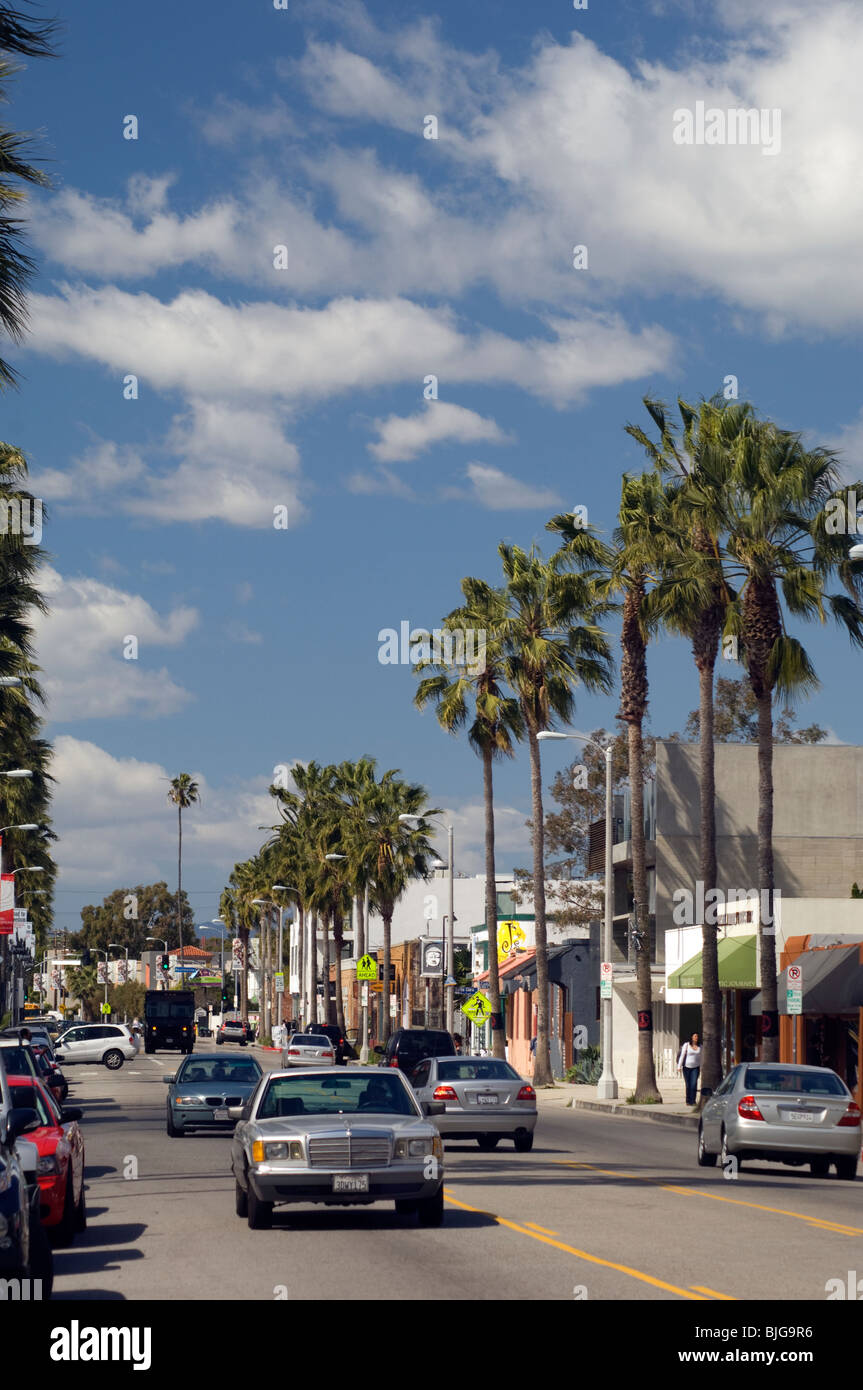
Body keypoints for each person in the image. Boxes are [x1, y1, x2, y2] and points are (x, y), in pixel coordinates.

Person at [677, 1032, 702, 1105]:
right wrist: (679, 1066)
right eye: (694, 1036)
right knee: (688, 1085)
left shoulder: (700, 1046)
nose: (696, 1037)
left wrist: (702, 1067)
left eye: (697, 1036)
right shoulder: (686, 1045)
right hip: (686, 1067)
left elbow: (702, 1057)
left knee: (694, 1084)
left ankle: (693, 1101)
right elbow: (682, 1056)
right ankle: (688, 1100)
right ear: (691, 1037)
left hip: (696, 1068)